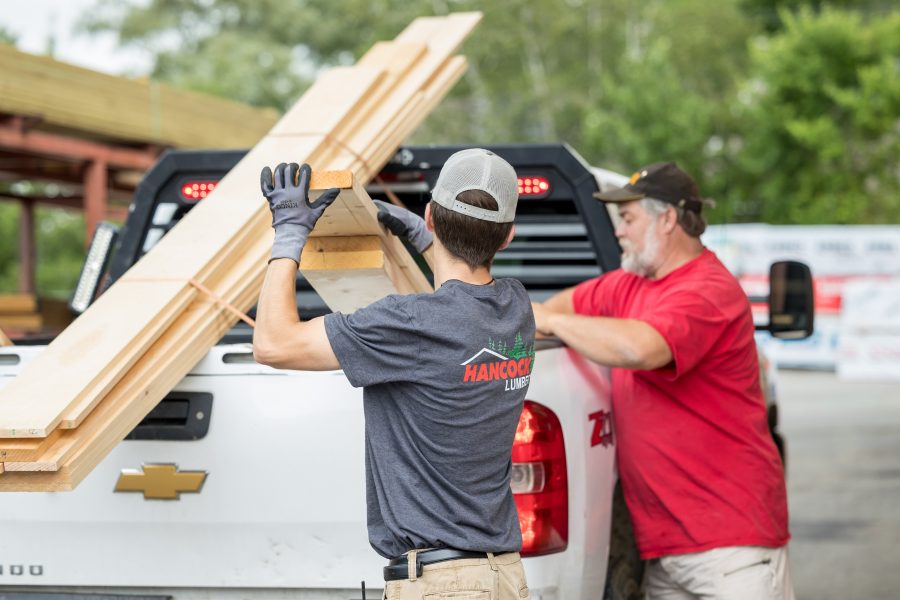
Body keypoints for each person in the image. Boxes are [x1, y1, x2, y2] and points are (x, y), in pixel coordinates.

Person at [253, 149, 534, 600]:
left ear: (431, 215)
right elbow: (461, 291)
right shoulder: (516, 309)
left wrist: (288, 235)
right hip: (503, 577)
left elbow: (272, 343)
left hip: (445, 587)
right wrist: (424, 235)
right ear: (508, 237)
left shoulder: (411, 324)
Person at [532, 162, 795, 599]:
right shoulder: (629, 285)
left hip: (730, 551)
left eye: (629, 219)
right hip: (665, 552)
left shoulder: (708, 289)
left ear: (668, 218)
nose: (620, 232)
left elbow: (642, 348)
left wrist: (555, 324)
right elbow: (556, 308)